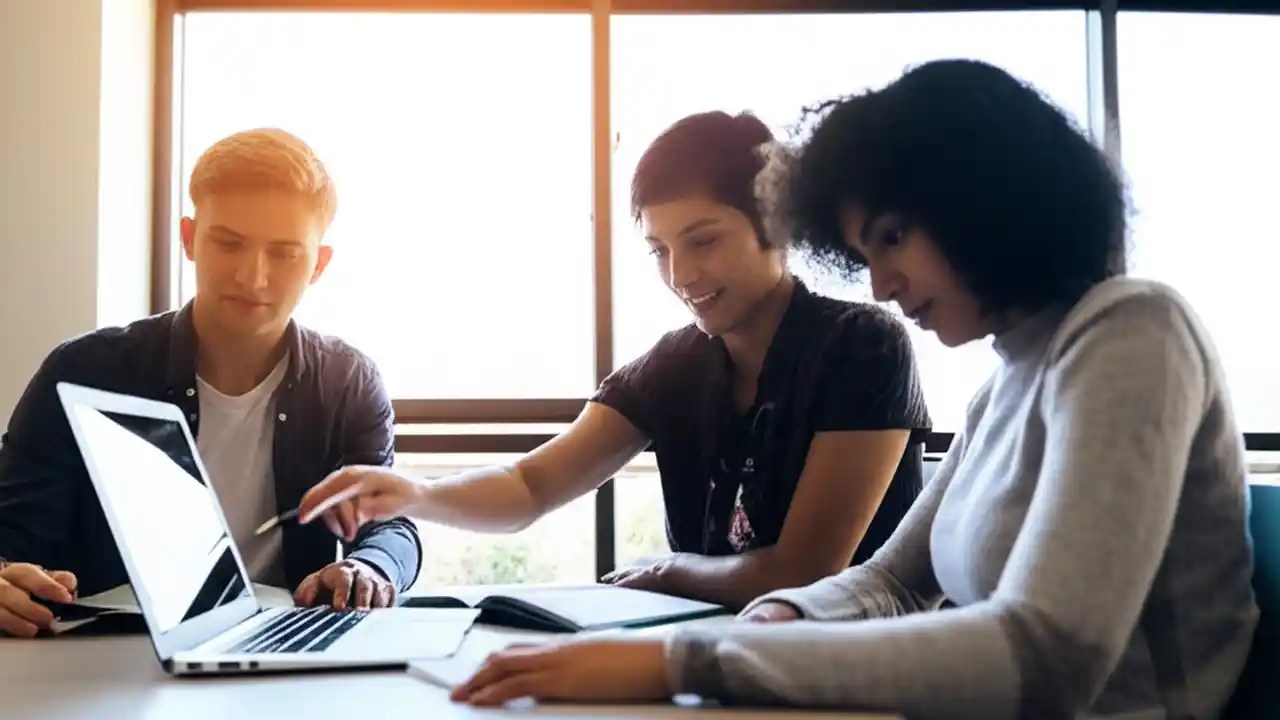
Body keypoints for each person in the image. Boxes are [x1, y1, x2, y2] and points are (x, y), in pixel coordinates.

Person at [436, 60, 1259, 719]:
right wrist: (790, 616)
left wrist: (679, 658)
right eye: (866, 254)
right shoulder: (1008, 380)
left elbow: (1046, 657)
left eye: (894, 238)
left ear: (989, 199)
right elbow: (895, 582)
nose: (883, 286)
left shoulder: (1132, 334)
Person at [298, 111, 931, 611]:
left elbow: (805, 572)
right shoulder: (677, 365)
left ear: (779, 225)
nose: (681, 275)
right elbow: (531, 486)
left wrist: (668, 571)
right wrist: (415, 494)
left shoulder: (864, 347)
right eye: (659, 250)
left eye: (704, 240)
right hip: (719, 650)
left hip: (853, 658)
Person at [0, 129, 422, 638]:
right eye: (228, 243)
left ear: (319, 265)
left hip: (279, 649)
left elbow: (389, 525)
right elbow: (13, 534)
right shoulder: (84, 370)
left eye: (284, 253)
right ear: (188, 238)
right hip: (102, 650)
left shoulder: (349, 382)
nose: (252, 277)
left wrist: (370, 569)